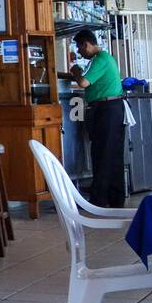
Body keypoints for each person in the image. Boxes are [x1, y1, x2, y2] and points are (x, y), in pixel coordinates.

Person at [59, 30, 126, 208]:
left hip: (107, 109)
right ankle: (115, 196)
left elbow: (83, 83)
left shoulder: (100, 59)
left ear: (87, 44)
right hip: (110, 108)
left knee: (102, 153)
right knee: (111, 153)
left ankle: (100, 198)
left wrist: (75, 71)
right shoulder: (102, 59)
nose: (79, 52)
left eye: (80, 48)